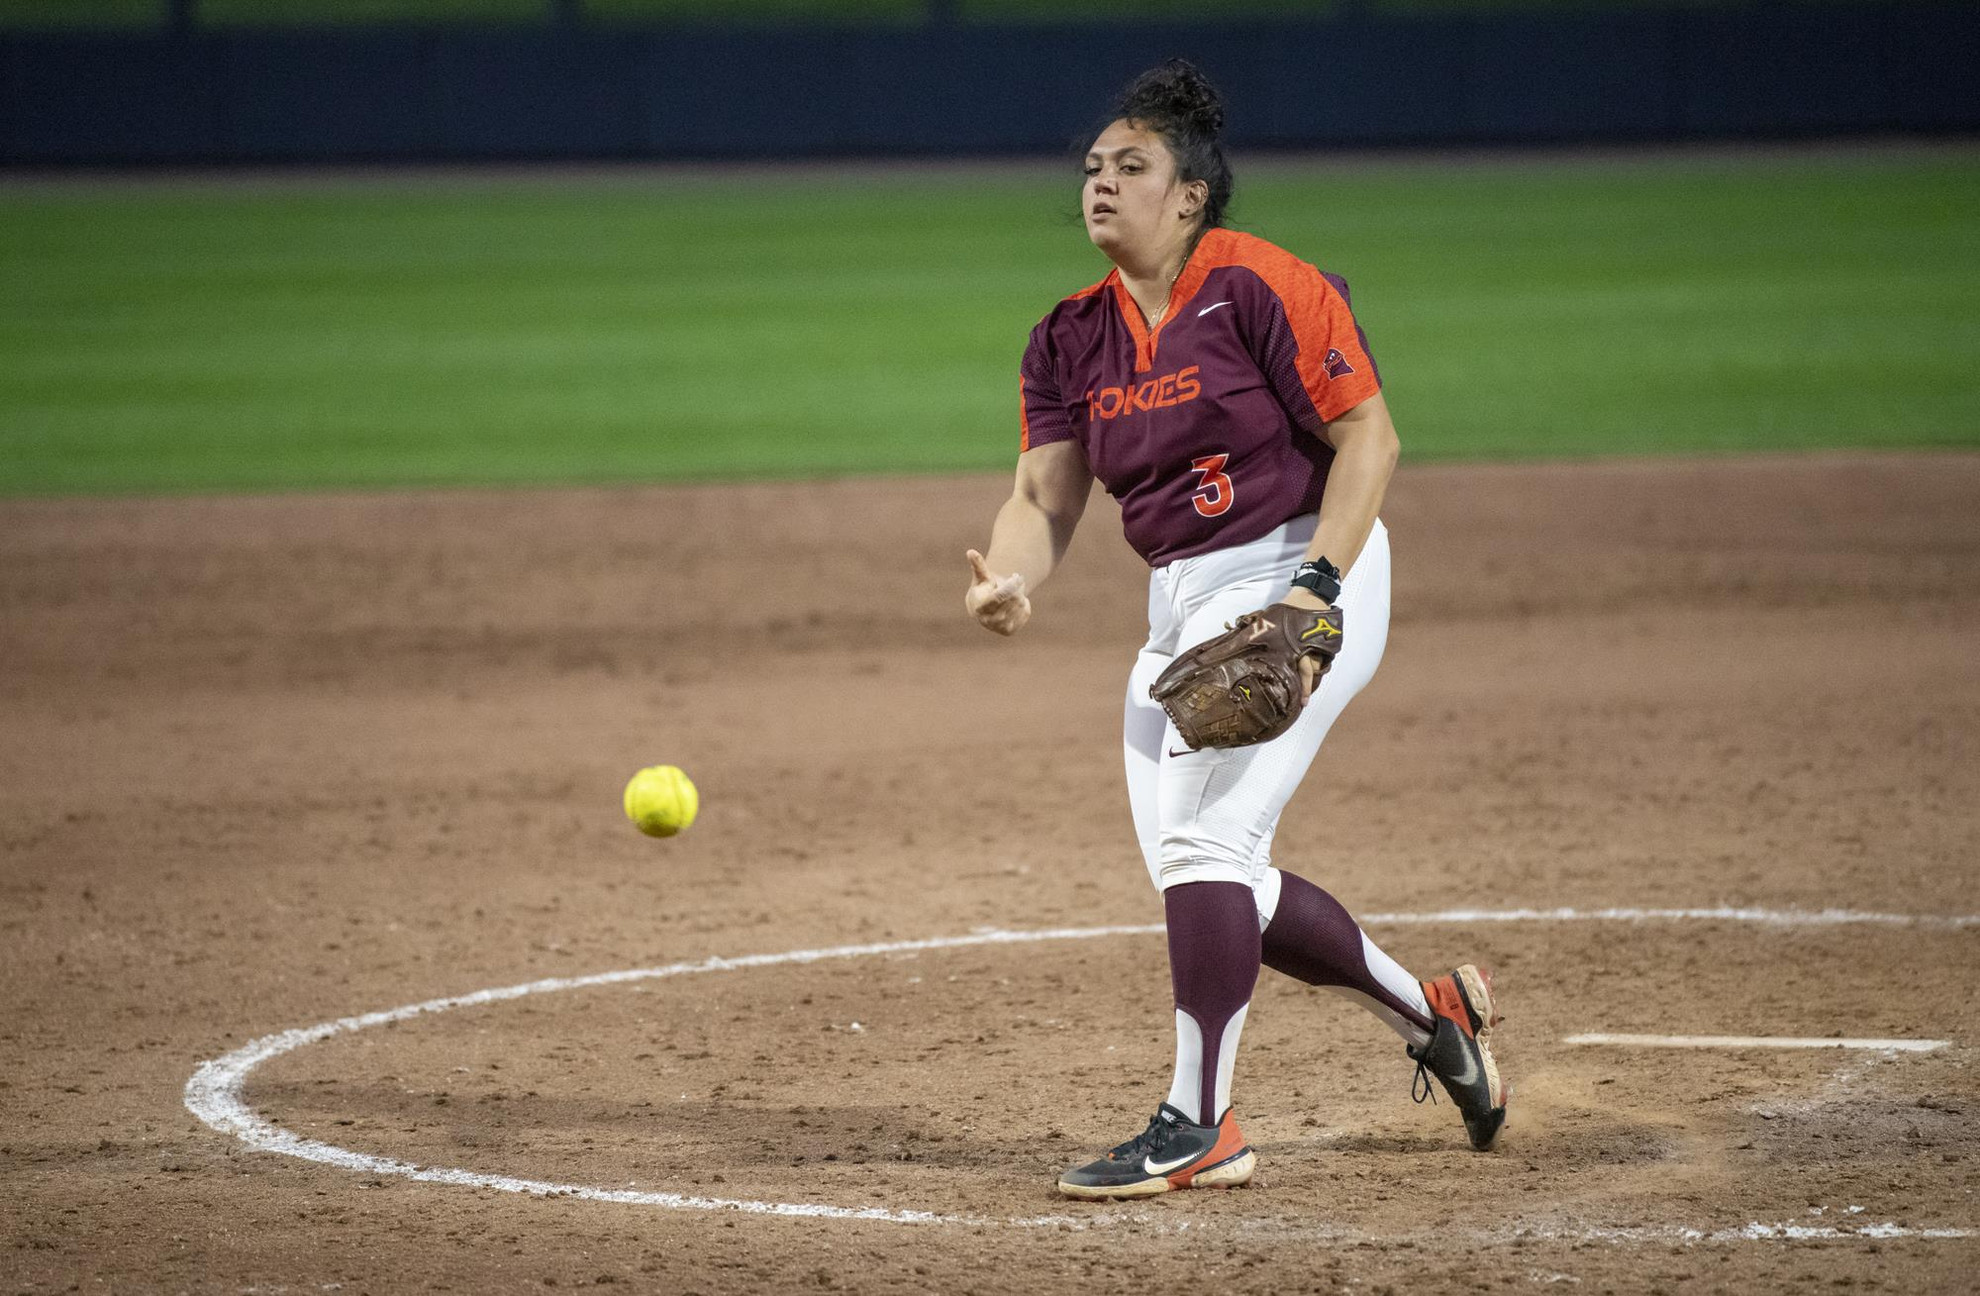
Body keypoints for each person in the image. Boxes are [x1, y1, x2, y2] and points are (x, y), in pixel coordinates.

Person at [963, 59, 1507, 1201]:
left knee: (1205, 854)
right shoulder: (1068, 338)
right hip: (1181, 608)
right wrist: (1010, 580)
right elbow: (1043, 498)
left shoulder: (1259, 284)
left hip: (1300, 573)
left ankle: (1199, 1124)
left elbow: (1370, 438)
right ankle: (1435, 1017)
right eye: (1094, 167)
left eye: (1132, 166)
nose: (1101, 183)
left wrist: (1313, 591)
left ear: (1190, 195)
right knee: (1217, 877)